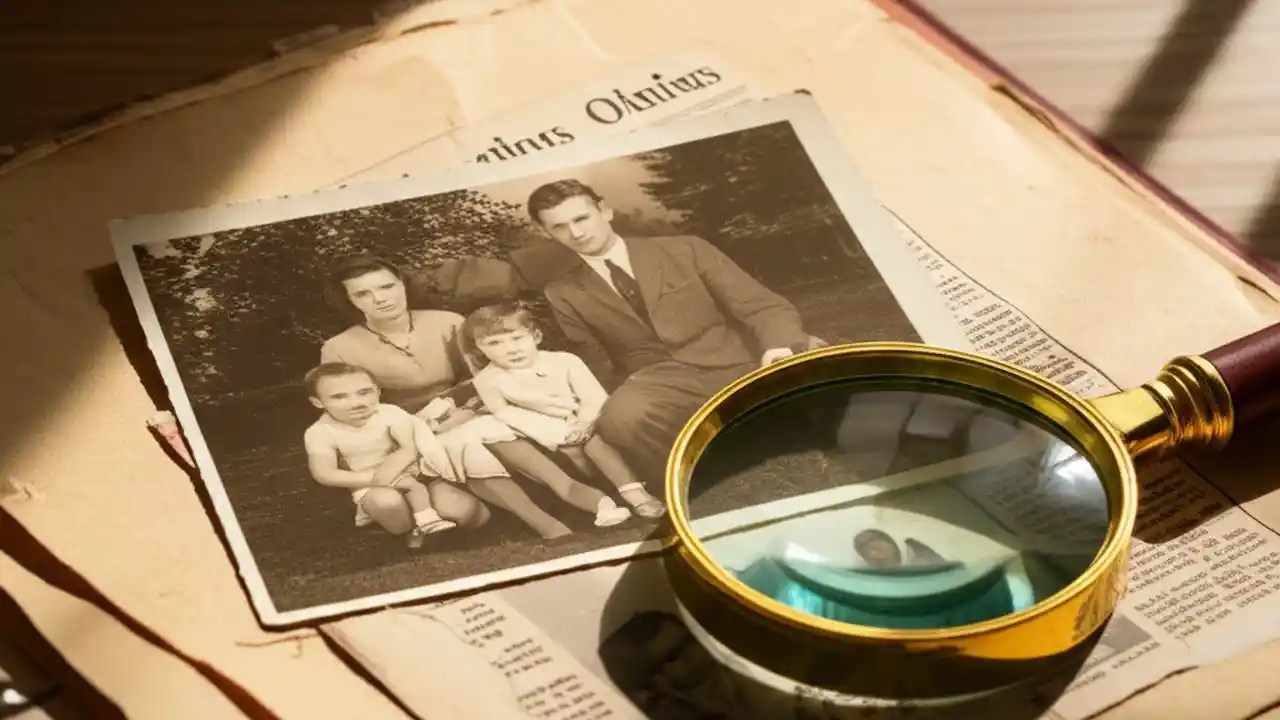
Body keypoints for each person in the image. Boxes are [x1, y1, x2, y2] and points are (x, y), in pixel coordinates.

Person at [528, 179, 817, 480]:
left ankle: (772, 442)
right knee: (621, 418)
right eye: (559, 227)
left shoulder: (685, 249)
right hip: (658, 383)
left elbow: (762, 306)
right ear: (546, 232)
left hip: (732, 360)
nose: (576, 233)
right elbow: (594, 359)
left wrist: (778, 346)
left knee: (805, 374)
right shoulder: (562, 291)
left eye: (581, 218)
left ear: (604, 210)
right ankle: (701, 479)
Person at [319, 253, 618, 540]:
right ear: (349, 300)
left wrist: (465, 411)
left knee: (479, 430)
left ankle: (577, 496)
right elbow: (352, 409)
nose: (380, 299)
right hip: (408, 433)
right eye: (363, 294)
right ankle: (541, 521)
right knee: (461, 472)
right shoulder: (339, 347)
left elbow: (485, 378)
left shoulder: (447, 322)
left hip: (472, 409)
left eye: (387, 286)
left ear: (402, 284)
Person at [463, 302, 666, 520]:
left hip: (585, 421)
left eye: (517, 338)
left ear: (536, 336)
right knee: (527, 454)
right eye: (494, 343)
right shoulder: (487, 380)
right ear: (480, 349)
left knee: (596, 443)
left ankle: (634, 493)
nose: (510, 349)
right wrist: (557, 435)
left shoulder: (565, 362)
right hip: (541, 432)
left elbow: (593, 398)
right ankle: (595, 502)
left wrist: (583, 423)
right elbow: (505, 413)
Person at [302, 362, 459, 549]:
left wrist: (396, 471)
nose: (356, 403)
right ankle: (408, 529)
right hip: (370, 485)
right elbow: (324, 473)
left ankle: (426, 521)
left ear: (377, 392)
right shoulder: (320, 431)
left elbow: (408, 449)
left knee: (461, 512)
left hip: (411, 475)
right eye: (339, 397)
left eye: (364, 392)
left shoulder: (390, 413)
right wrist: (377, 478)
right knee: (387, 503)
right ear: (318, 402)